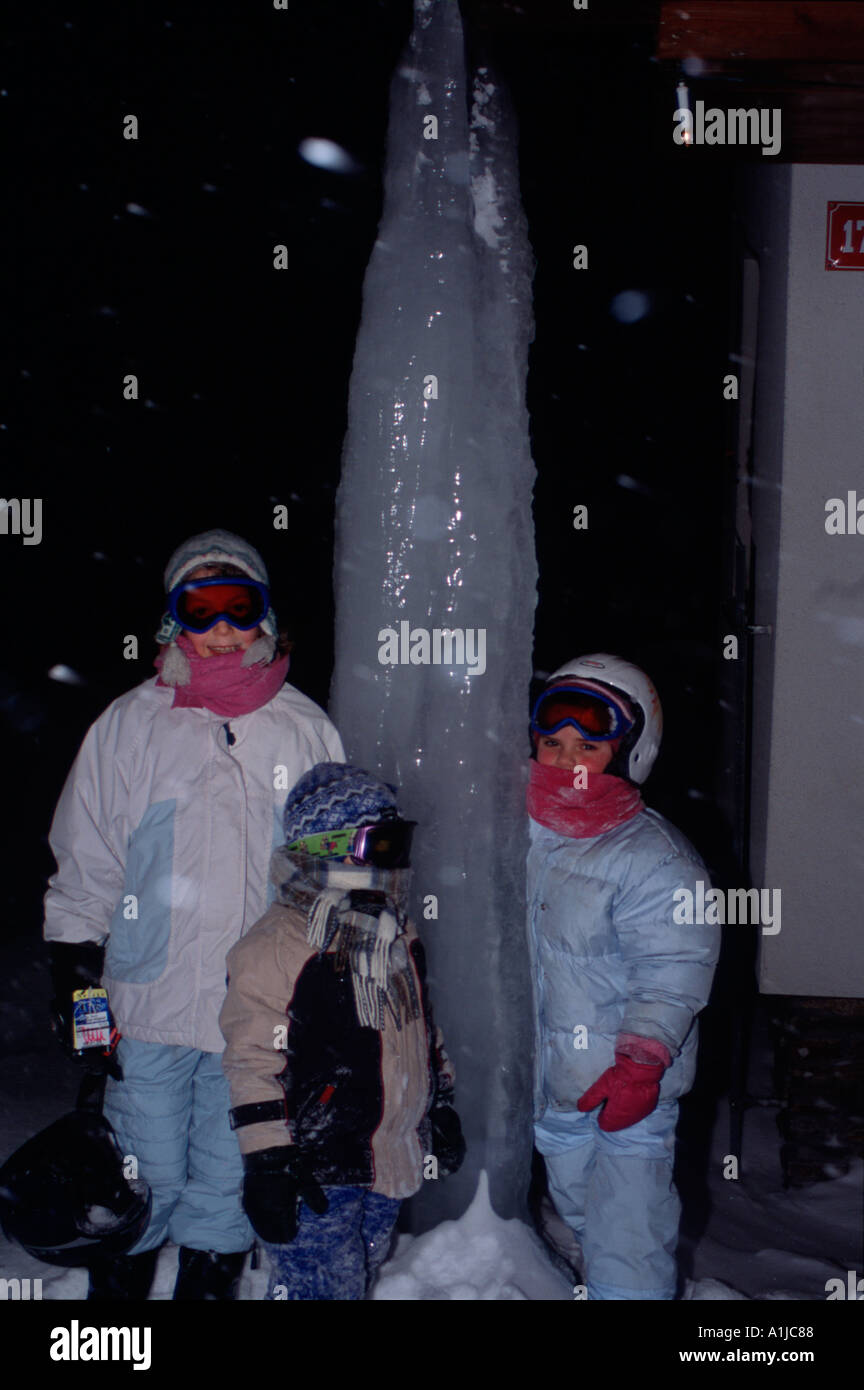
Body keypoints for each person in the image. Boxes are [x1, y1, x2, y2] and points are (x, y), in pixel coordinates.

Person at [43, 529, 345, 1300]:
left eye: (237, 607)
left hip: (254, 1015)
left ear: (265, 617)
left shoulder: (304, 728)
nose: (220, 628)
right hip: (147, 1002)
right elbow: (89, 856)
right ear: (172, 621)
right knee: (140, 1177)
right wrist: (76, 968)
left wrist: (322, 985)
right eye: (198, 607)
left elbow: (325, 871)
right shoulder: (130, 724)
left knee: (223, 1181)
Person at [219, 762, 465, 1300]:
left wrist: (438, 1104)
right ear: (329, 846)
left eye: (398, 842)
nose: (394, 859)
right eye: (380, 843)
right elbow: (252, 1058)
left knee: (359, 1271)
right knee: (321, 1289)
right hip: (313, 1165)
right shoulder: (281, 942)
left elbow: (418, 1027)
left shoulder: (395, 929)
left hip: (388, 1153)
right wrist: (267, 1158)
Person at [525, 653, 719, 1301]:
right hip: (558, 1088)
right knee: (584, 1218)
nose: (565, 760)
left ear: (632, 751)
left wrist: (641, 1061)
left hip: (631, 1089)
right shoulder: (524, 837)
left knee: (628, 1235)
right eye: (552, 744)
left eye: (587, 745)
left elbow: (675, 967)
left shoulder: (654, 856)